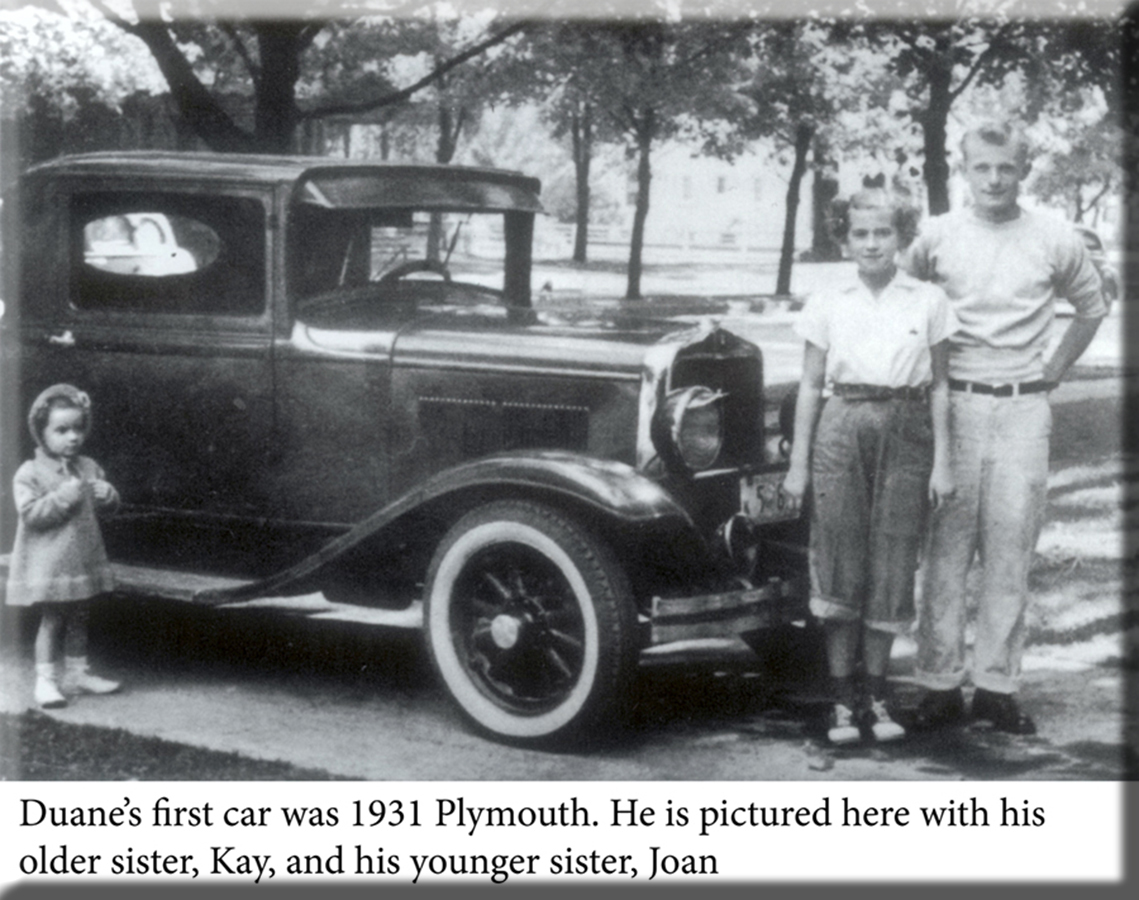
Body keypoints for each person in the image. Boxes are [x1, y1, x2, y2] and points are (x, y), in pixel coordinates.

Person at [904, 121, 1107, 734]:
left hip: (1022, 408)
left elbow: (1092, 306)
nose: (994, 179)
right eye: (982, 167)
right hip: (954, 406)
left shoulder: (1053, 236)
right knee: (944, 553)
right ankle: (938, 684)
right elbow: (905, 304)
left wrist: (1053, 370)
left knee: (1009, 551)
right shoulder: (935, 236)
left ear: (1024, 170)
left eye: (1006, 168)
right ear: (964, 169)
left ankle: (997, 686)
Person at [782, 187, 958, 744]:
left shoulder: (928, 299)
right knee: (839, 556)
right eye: (860, 233)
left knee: (893, 558)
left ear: (902, 237)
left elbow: (941, 386)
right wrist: (798, 465)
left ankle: (878, 697)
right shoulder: (827, 300)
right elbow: (810, 386)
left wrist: (943, 461)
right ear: (844, 238)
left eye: (883, 232)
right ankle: (841, 700)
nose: (872, 243)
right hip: (843, 425)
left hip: (907, 430)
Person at [5, 383, 121, 708]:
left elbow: (103, 509)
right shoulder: (30, 473)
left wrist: (109, 496)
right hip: (52, 565)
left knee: (81, 615)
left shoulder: (88, 466)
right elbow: (31, 515)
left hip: (82, 559)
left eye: (78, 428)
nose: (73, 437)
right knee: (53, 619)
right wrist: (63, 497)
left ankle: (76, 674)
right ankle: (45, 681)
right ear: (40, 432)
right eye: (61, 430)